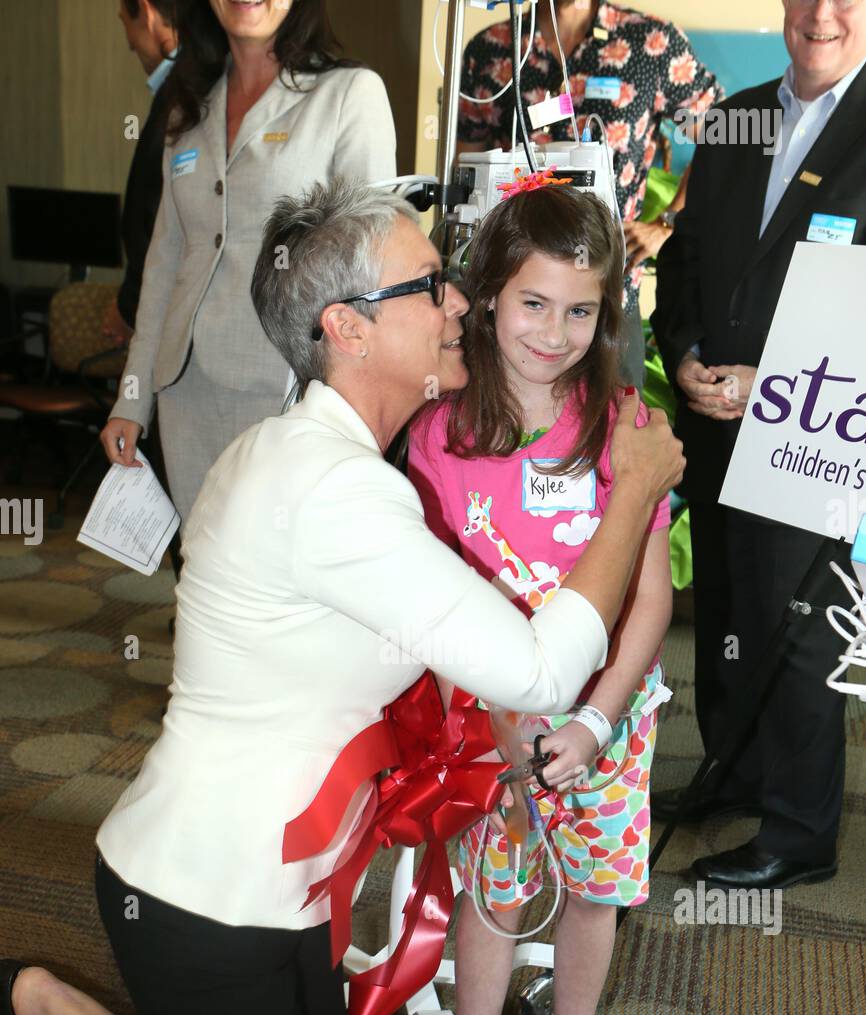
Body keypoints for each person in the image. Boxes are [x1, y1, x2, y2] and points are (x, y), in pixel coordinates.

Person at [0, 180, 683, 1015]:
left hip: (290, 892)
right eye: (430, 287)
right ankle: (56, 1010)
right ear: (347, 328)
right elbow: (538, 667)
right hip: (197, 898)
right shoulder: (332, 490)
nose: (458, 304)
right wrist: (636, 491)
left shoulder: (336, 462)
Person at [404, 176, 671, 1015]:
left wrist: (596, 723)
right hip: (491, 725)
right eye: (531, 302)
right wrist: (497, 716)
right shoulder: (436, 439)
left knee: (594, 893)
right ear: (483, 296)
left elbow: (647, 603)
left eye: (580, 310)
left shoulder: (626, 428)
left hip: (606, 723)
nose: (553, 333)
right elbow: (427, 603)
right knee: (491, 894)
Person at [651, 0, 866, 892]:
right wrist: (689, 349)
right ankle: (731, 772)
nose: (823, 14)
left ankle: (800, 829)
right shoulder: (736, 115)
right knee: (733, 610)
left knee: (798, 627)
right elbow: (685, 259)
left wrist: (766, 384)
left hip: (818, 426)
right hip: (716, 420)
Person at [99, 0, 397, 524]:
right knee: (200, 565)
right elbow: (165, 262)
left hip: (292, 389)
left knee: (277, 575)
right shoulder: (189, 106)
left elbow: (372, 263)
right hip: (186, 388)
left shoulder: (349, 94)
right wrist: (132, 398)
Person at [456, 0, 722, 387]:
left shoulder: (651, 42)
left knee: (614, 432)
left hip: (608, 290)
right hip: (509, 296)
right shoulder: (495, 46)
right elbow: (468, 160)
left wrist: (669, 221)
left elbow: (722, 133)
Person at [103, 0, 180, 349]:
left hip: (169, 316)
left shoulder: (185, 96)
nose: (129, 43)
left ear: (147, 15)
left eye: (126, 24)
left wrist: (129, 306)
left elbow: (153, 215)